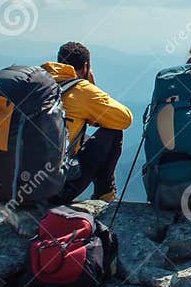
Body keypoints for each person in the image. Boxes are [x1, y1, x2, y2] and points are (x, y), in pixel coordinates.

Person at [42, 41, 133, 203]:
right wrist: (92, 87)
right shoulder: (82, 90)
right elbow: (125, 119)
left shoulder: (39, 86)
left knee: (82, 137)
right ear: (85, 66)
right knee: (112, 132)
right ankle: (105, 195)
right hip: (58, 191)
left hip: (21, 188)